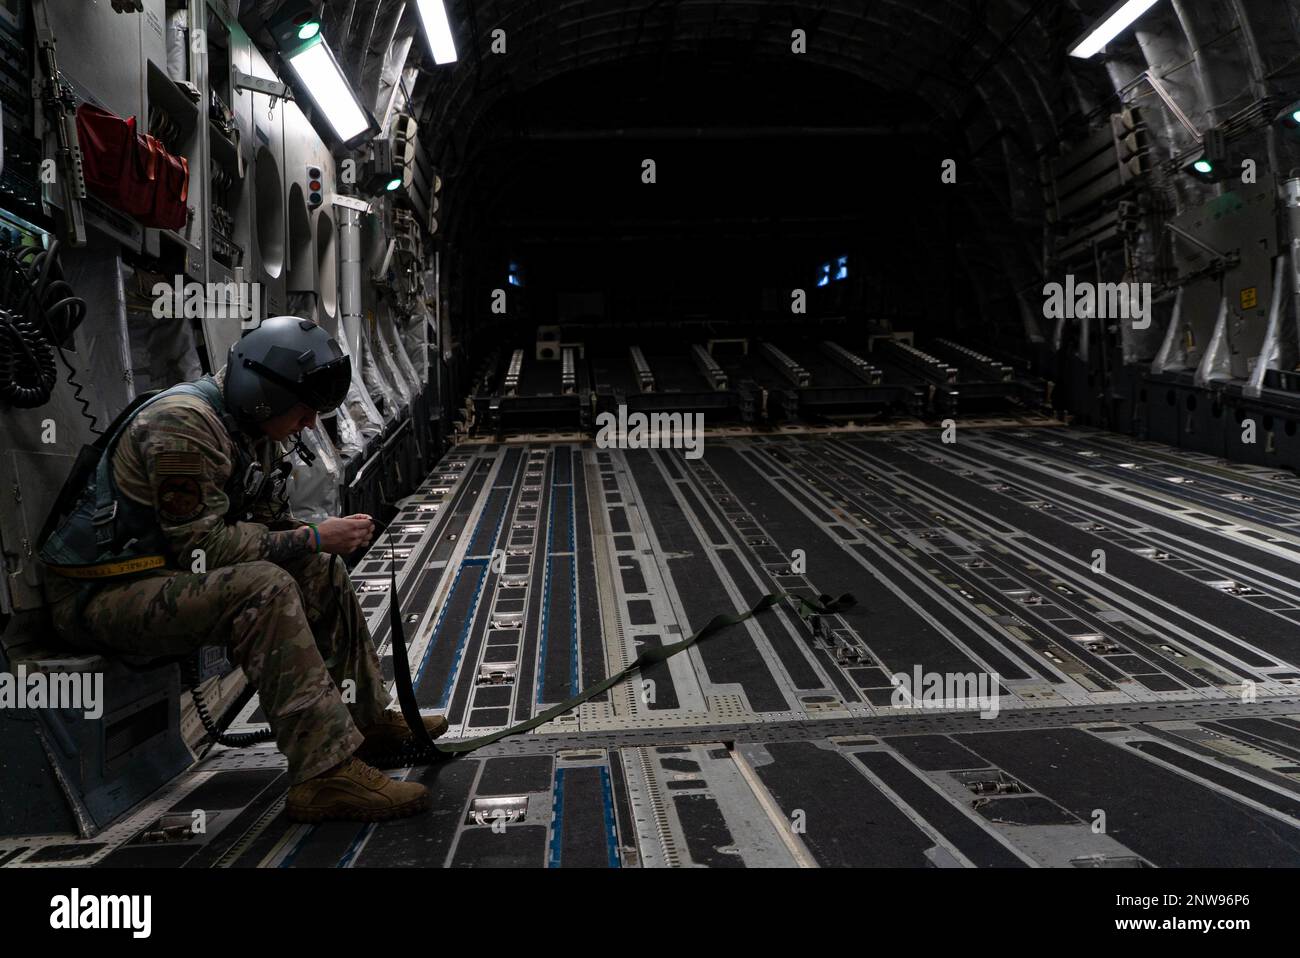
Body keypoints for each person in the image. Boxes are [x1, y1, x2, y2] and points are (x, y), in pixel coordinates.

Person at [41, 316, 445, 823]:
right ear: (263, 397)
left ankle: (366, 722)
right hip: (101, 595)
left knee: (318, 568)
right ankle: (324, 774)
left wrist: (315, 542)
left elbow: (264, 524)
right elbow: (202, 549)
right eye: (303, 412)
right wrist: (315, 535)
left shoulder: (250, 428)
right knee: (264, 588)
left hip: (157, 579)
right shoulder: (183, 425)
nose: (309, 425)